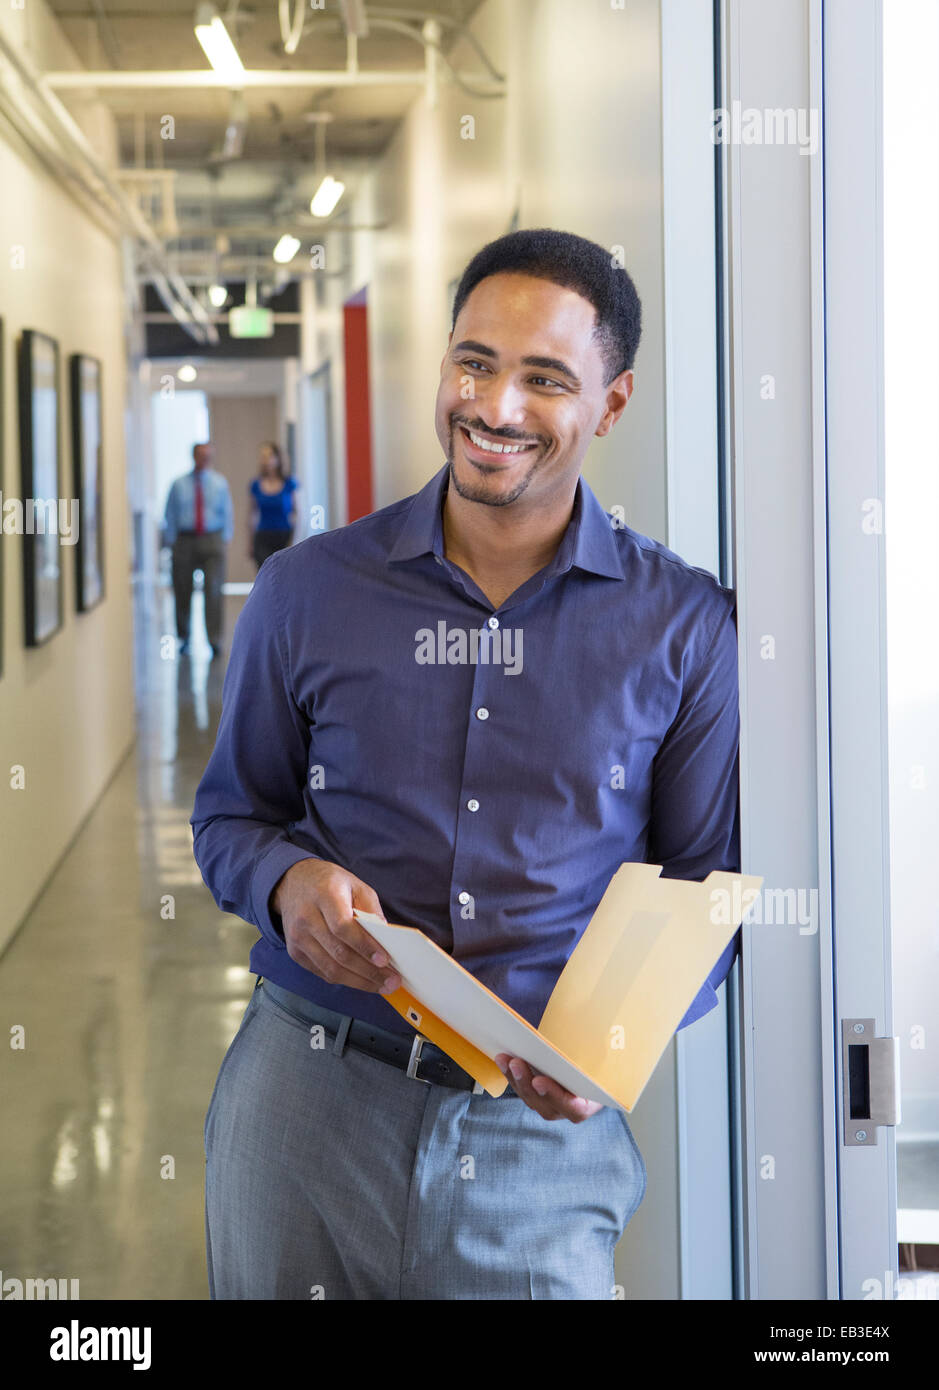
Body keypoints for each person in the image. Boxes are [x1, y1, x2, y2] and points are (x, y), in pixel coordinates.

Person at [191, 228, 742, 1301]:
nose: (494, 407)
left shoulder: (683, 626)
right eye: (474, 363)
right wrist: (286, 883)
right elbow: (229, 818)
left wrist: (615, 1039)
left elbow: (700, 887)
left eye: (545, 379)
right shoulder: (307, 592)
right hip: (303, 1105)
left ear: (611, 403)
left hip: (536, 1146)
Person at [162, 442, 233, 658]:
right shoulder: (178, 484)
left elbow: (227, 513)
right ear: (193, 456)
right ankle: (184, 637)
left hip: (212, 538)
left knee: (213, 590)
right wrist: (172, 542)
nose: (205, 458)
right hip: (185, 540)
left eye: (208, 455)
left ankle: (214, 639)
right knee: (182, 589)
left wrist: (224, 540)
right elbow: (170, 514)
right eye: (201, 455)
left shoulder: (220, 483)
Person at [247, 441, 298, 570]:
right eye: (263, 457)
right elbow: (252, 514)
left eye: (269, 456)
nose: (266, 460)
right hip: (262, 537)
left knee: (283, 574)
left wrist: (294, 540)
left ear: (278, 459)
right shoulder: (256, 484)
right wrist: (250, 542)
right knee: (266, 574)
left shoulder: (289, 484)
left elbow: (297, 513)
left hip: (284, 537)